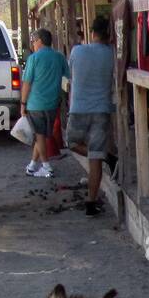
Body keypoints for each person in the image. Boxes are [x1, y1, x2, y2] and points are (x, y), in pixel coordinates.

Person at [67, 16, 116, 215]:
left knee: (71, 143)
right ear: (109, 35)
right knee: (95, 156)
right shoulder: (111, 54)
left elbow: (72, 74)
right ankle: (91, 202)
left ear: (92, 32)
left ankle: (107, 157)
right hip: (102, 110)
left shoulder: (77, 51)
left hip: (78, 108)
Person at [20, 28, 69, 178]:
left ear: (40, 41)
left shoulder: (33, 59)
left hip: (36, 103)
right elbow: (67, 76)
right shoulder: (59, 57)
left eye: (34, 41)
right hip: (53, 103)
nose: (33, 44)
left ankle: (47, 166)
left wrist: (23, 103)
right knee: (41, 135)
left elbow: (27, 83)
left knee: (39, 135)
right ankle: (32, 166)